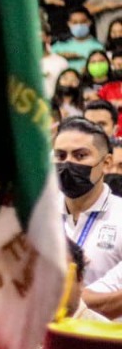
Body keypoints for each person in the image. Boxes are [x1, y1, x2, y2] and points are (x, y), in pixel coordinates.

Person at [55, 116, 122, 284]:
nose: (68, 163)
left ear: (106, 163)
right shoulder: (38, 213)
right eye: (61, 156)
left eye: (80, 155)